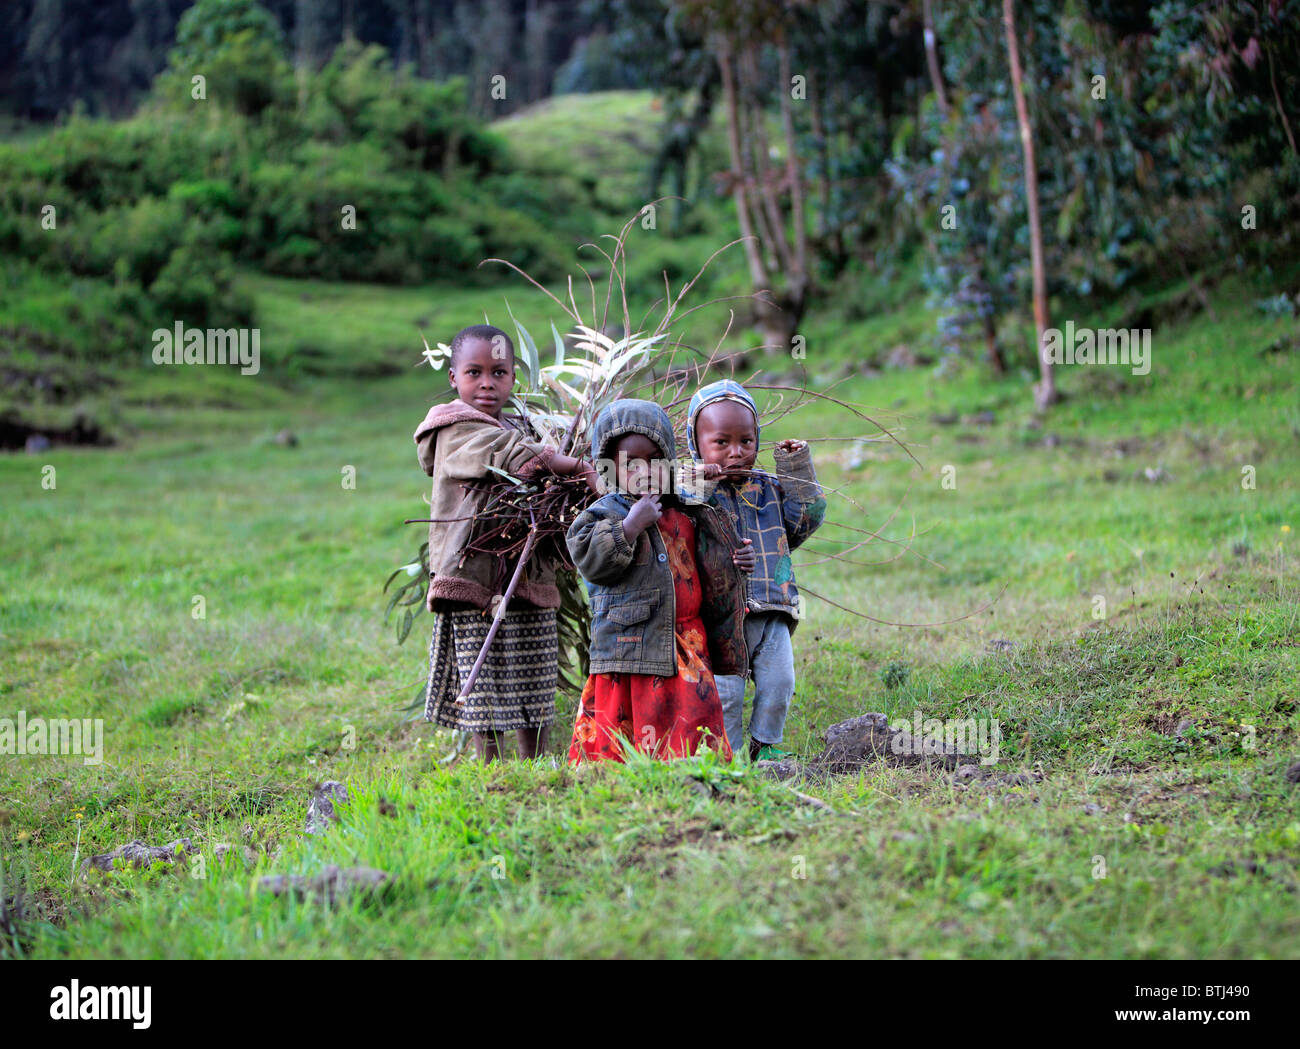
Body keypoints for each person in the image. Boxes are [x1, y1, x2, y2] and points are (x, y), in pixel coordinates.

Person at [414, 324, 597, 763]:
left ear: (514, 378)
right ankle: (490, 764)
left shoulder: (524, 425)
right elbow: (508, 454)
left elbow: (528, 452)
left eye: (498, 372)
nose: (486, 383)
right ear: (454, 378)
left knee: (536, 666)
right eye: (474, 372)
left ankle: (535, 760)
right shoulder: (451, 428)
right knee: (485, 675)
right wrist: (578, 466)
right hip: (472, 571)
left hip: (527, 566)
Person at [565, 399, 751, 763]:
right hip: (630, 645)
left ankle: (696, 773)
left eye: (654, 459)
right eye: (631, 463)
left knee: (692, 717)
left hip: (688, 640)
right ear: (609, 467)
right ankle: (621, 782)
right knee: (629, 721)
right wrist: (630, 526)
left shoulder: (684, 511)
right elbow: (591, 561)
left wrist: (736, 560)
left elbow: (710, 560)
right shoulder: (602, 514)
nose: (644, 471)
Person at [686, 380, 826, 761]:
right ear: (695, 445)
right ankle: (727, 758)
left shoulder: (767, 488)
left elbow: (804, 522)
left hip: (771, 607)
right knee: (726, 693)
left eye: (746, 442)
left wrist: (796, 469)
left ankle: (765, 747)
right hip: (719, 618)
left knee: (780, 681)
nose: (736, 453)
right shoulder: (692, 497)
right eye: (721, 442)